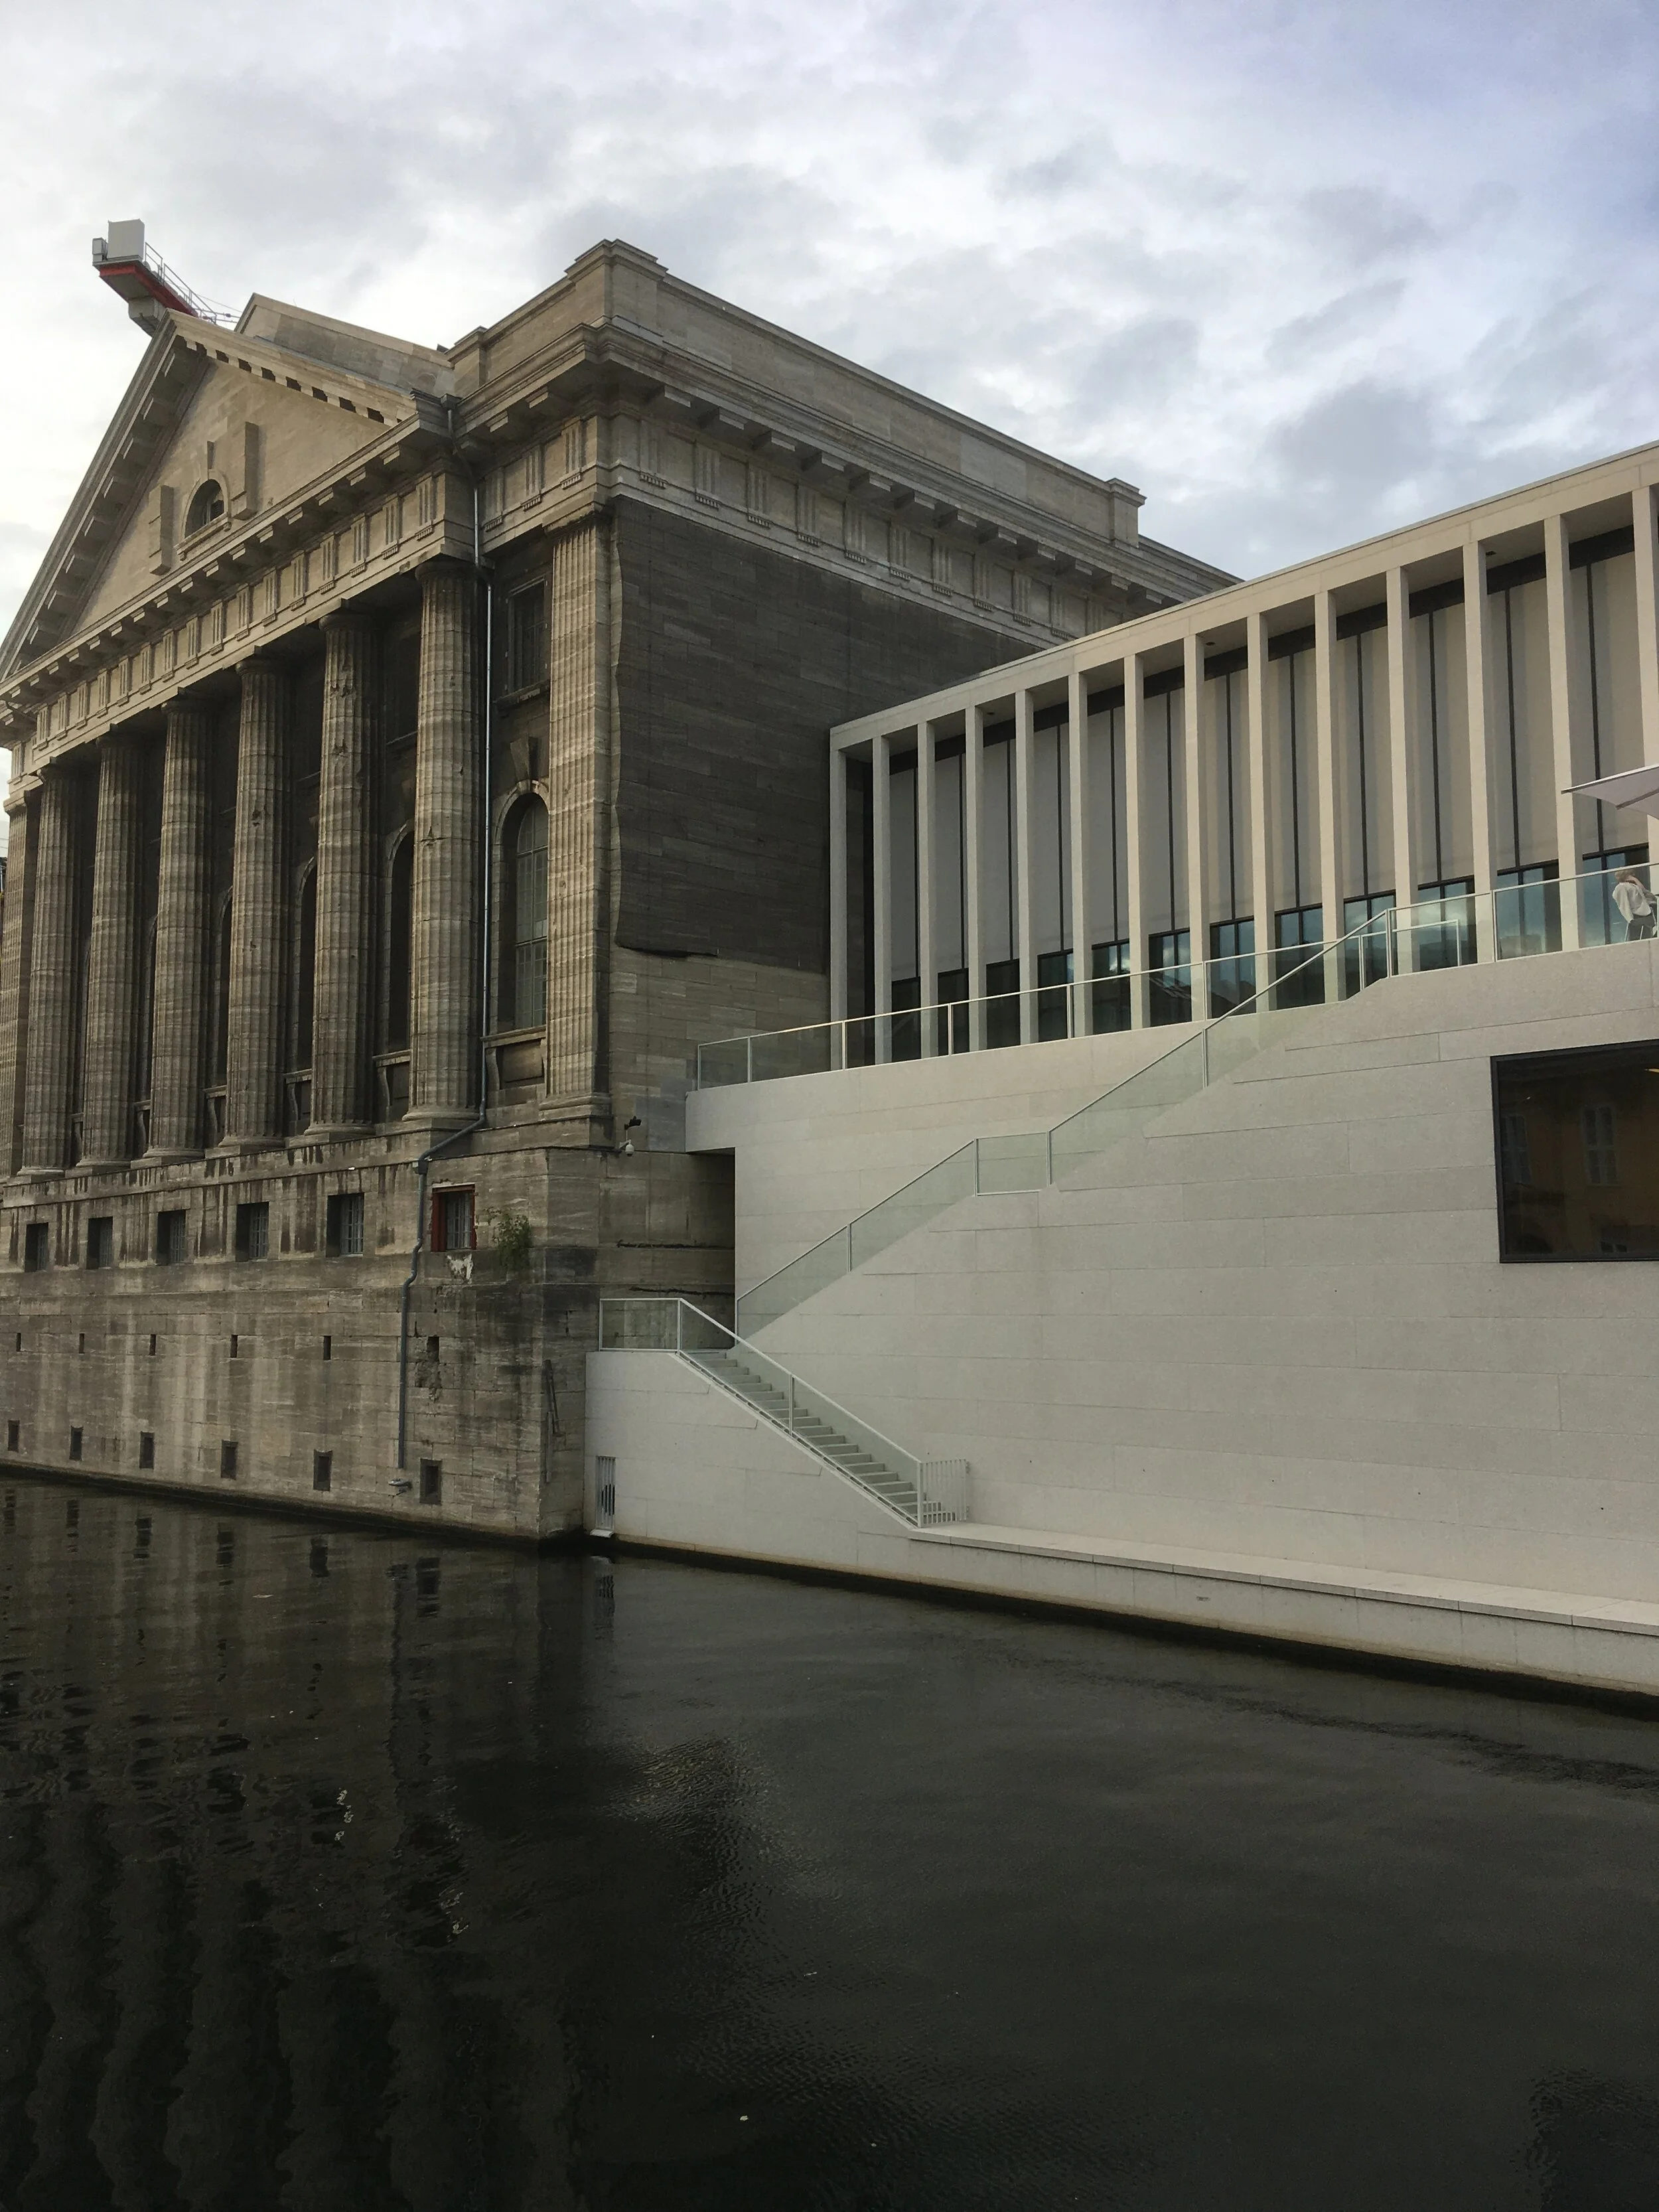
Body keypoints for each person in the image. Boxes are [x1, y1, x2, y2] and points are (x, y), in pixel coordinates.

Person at [1612, 867, 1656, 940]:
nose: (1634, 875)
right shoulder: (1621, 887)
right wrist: (1630, 918)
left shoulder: (1633, 885)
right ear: (1626, 875)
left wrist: (1637, 881)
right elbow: (1624, 903)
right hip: (1638, 913)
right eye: (1631, 874)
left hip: (1647, 910)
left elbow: (1649, 895)